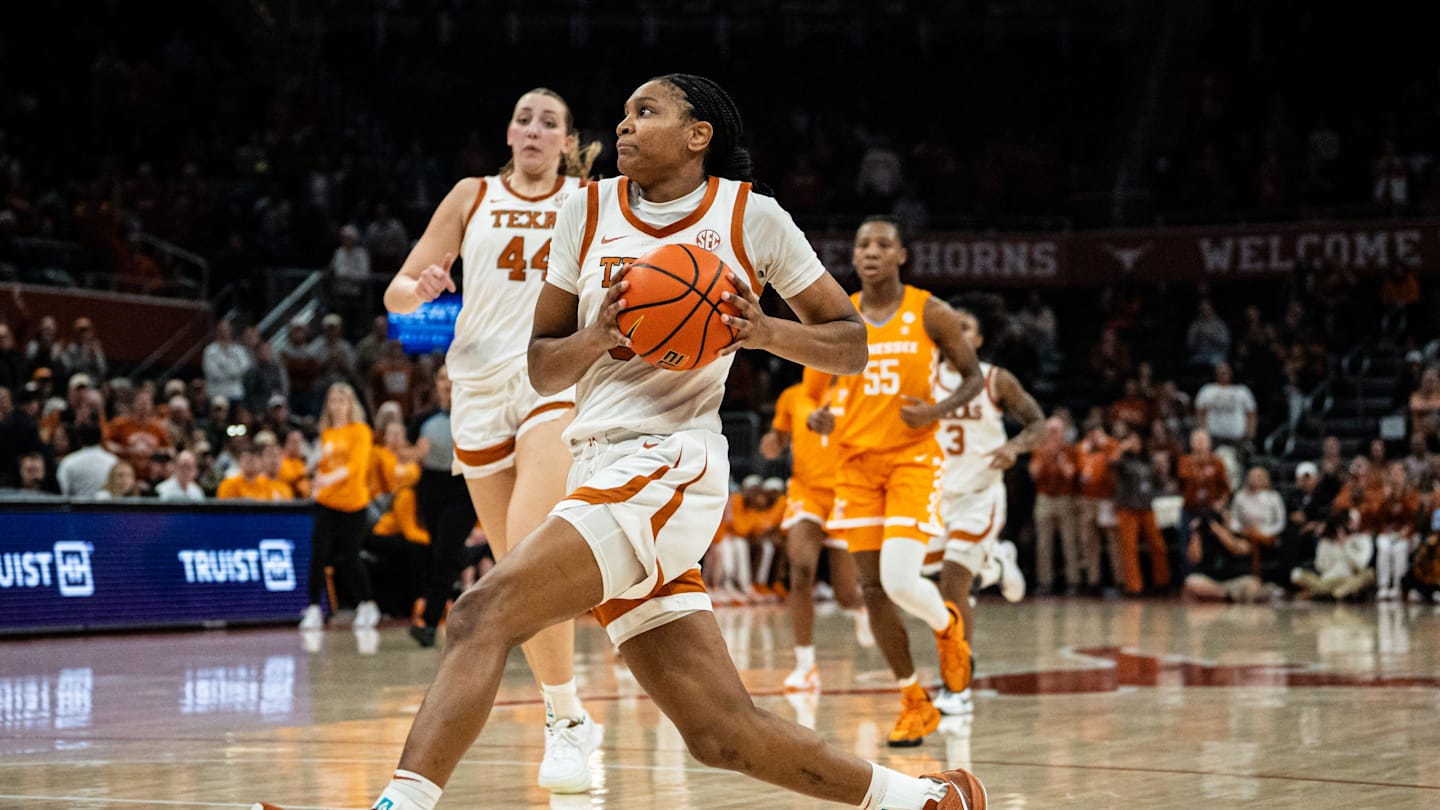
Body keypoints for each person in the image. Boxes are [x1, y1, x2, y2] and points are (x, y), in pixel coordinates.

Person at [254, 73, 986, 810]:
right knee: (720, 732)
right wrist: (598, 337)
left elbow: (851, 344)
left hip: (671, 462)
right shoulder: (586, 207)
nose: (624, 127)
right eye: (625, 114)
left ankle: (397, 807)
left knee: (480, 612)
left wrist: (763, 330)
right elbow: (542, 364)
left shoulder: (749, 216)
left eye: (647, 112)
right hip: (600, 462)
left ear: (699, 135)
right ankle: (923, 802)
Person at [380, 87, 605, 794]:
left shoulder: (589, 201)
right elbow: (395, 295)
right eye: (523, 118)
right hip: (475, 389)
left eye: (549, 122)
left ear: (567, 142)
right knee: (511, 568)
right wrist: (423, 287)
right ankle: (568, 710)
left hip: (549, 379)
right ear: (508, 133)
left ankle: (564, 726)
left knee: (530, 547)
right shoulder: (470, 194)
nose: (533, 129)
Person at [811, 215, 985, 747]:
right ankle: (914, 699)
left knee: (900, 579)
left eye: (883, 244)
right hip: (855, 465)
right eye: (862, 243)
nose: (871, 252)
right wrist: (822, 417)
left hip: (911, 460)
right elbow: (823, 390)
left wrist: (936, 408)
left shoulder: (930, 311)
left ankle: (947, 626)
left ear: (901, 255)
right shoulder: (839, 312)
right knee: (870, 590)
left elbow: (974, 377)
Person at [930, 292, 1046, 715]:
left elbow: (1037, 422)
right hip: (935, 497)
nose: (956, 334)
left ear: (979, 340)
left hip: (980, 495)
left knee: (953, 583)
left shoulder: (997, 379)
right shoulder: (923, 379)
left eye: (966, 328)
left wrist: (1015, 447)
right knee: (915, 584)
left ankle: (957, 685)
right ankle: (995, 563)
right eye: (951, 327)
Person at [759, 366, 867, 693]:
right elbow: (774, 440)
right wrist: (773, 444)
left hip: (847, 491)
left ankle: (860, 608)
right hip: (806, 492)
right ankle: (805, 666)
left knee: (846, 593)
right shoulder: (793, 396)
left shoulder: (858, 390)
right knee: (801, 570)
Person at [299, 382, 382, 631]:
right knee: (318, 554)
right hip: (326, 502)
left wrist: (329, 478)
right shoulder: (326, 433)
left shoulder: (360, 431)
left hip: (353, 503)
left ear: (350, 403)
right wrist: (314, 478)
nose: (336, 406)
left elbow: (356, 465)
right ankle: (313, 608)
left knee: (351, 557)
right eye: (332, 401)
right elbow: (320, 462)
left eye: (340, 400)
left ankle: (367, 604)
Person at [1029, 416, 1080, 596]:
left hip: (1065, 499)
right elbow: (1033, 474)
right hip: (1045, 498)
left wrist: (1060, 460)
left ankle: (1073, 581)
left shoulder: (1069, 450)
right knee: (1044, 542)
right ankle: (1045, 581)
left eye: (1056, 431)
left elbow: (1070, 475)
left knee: (1069, 541)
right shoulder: (1039, 449)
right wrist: (1045, 458)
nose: (1053, 435)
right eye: (1050, 431)